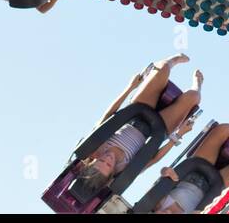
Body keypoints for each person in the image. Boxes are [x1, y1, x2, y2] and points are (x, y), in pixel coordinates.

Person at [73, 55, 203, 196]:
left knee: (163, 66)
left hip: (136, 113)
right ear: (111, 173)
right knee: (194, 97)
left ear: (92, 161)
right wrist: (178, 135)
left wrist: (130, 87)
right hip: (156, 129)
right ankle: (198, 84)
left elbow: (109, 114)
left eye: (102, 160)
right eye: (109, 164)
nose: (108, 158)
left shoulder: (96, 148)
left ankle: (175, 60)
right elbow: (154, 158)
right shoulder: (124, 169)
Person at [151, 124, 229, 214]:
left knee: (222, 130)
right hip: (215, 187)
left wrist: (166, 172)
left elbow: (162, 174)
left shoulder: (157, 204)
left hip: (194, 173)